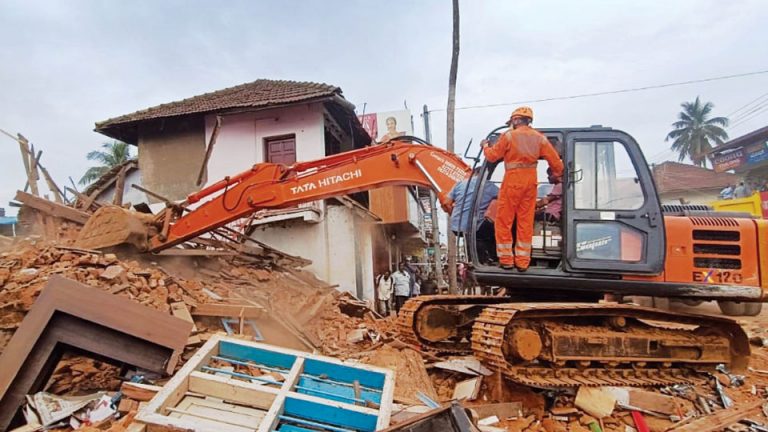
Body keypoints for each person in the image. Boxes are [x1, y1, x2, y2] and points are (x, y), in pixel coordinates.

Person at [481, 106, 563, 272]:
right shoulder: (540, 139)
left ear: (516, 120)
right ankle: (523, 261)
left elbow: (492, 156)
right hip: (531, 181)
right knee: (525, 222)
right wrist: (559, 177)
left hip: (513, 180)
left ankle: (506, 260)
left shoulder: (509, 136)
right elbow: (556, 164)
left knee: (504, 221)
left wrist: (485, 146)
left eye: (512, 121)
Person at [444, 167, 500, 234]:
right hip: (476, 228)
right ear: (487, 175)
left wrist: (455, 215)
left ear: (474, 173)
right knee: (499, 230)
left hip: (456, 227)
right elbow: (505, 198)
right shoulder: (490, 186)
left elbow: (446, 203)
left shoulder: (459, 184)